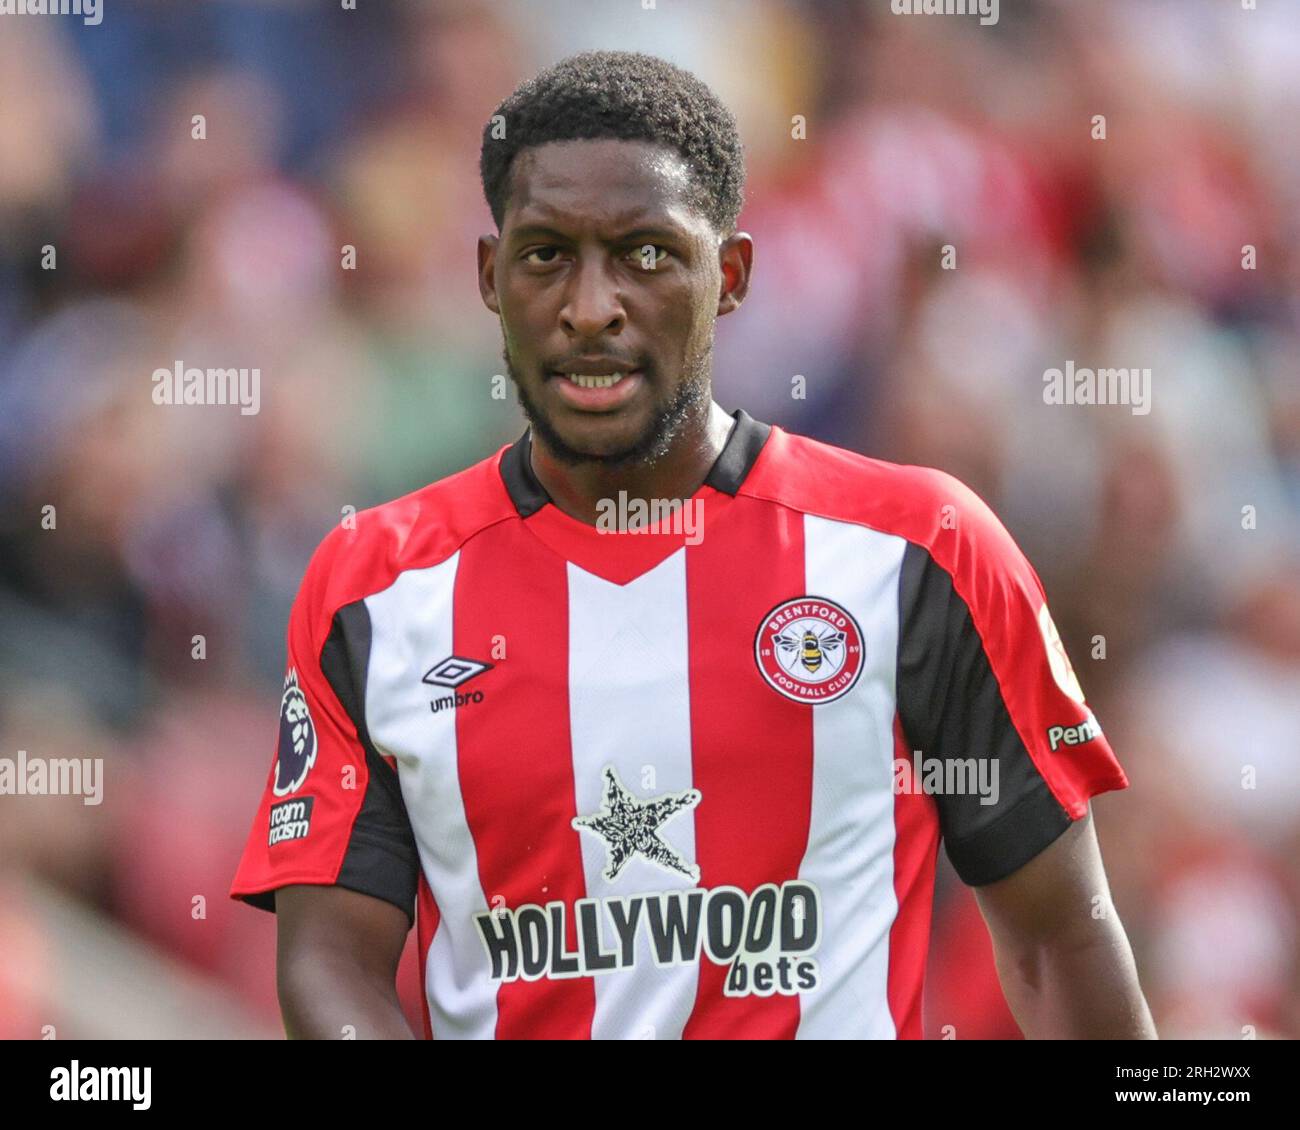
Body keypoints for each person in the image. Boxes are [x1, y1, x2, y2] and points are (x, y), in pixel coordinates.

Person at [230, 50, 1156, 1040]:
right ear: (491, 278)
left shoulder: (921, 549)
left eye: (645, 253)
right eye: (547, 255)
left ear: (731, 275)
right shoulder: (374, 586)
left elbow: (1060, 940)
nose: (591, 307)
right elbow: (329, 956)